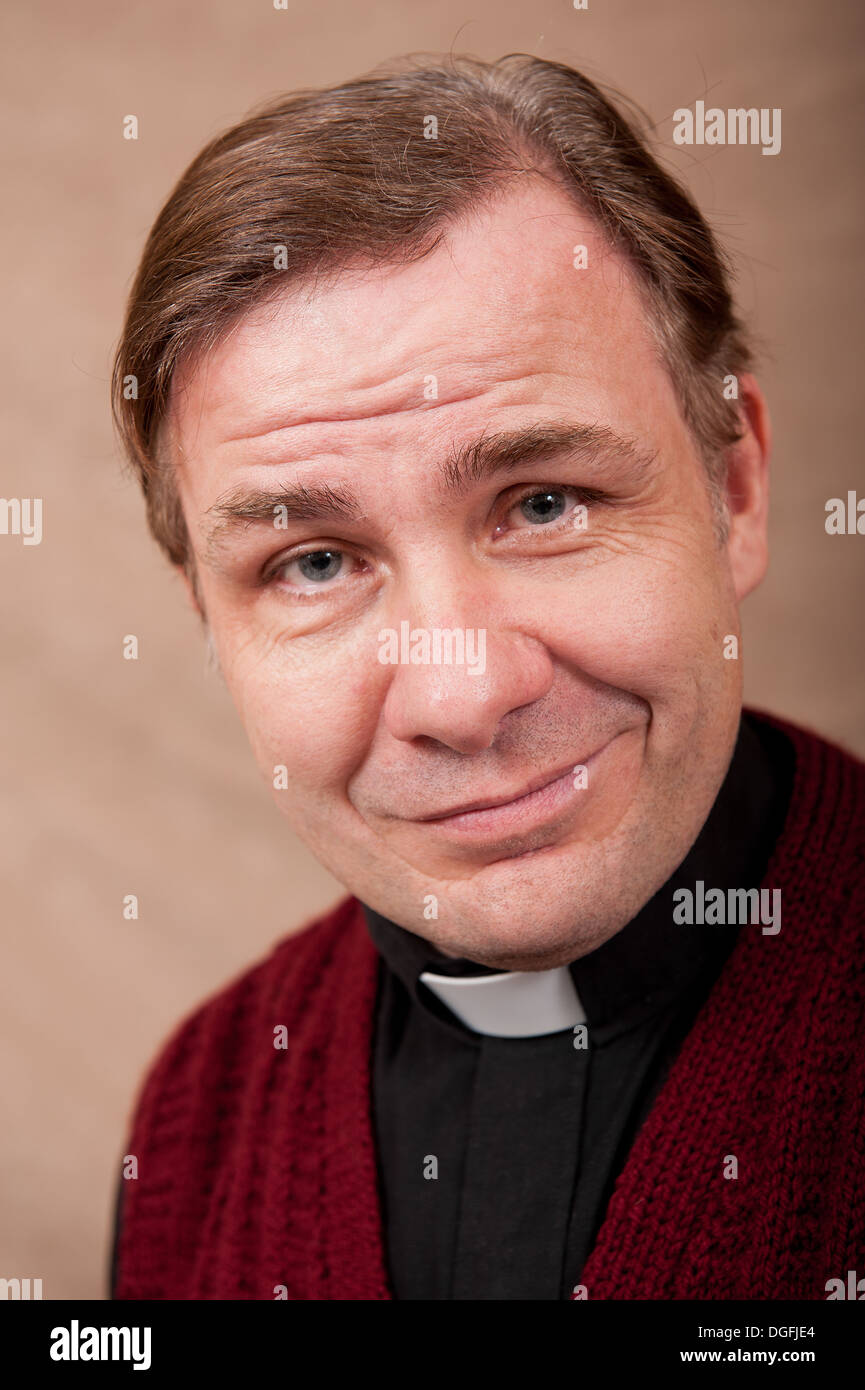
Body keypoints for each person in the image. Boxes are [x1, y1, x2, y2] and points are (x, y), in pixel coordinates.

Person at [109, 53, 865, 1301]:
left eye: (543, 502)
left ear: (732, 490)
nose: (461, 699)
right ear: (208, 620)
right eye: (311, 562)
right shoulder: (200, 1113)